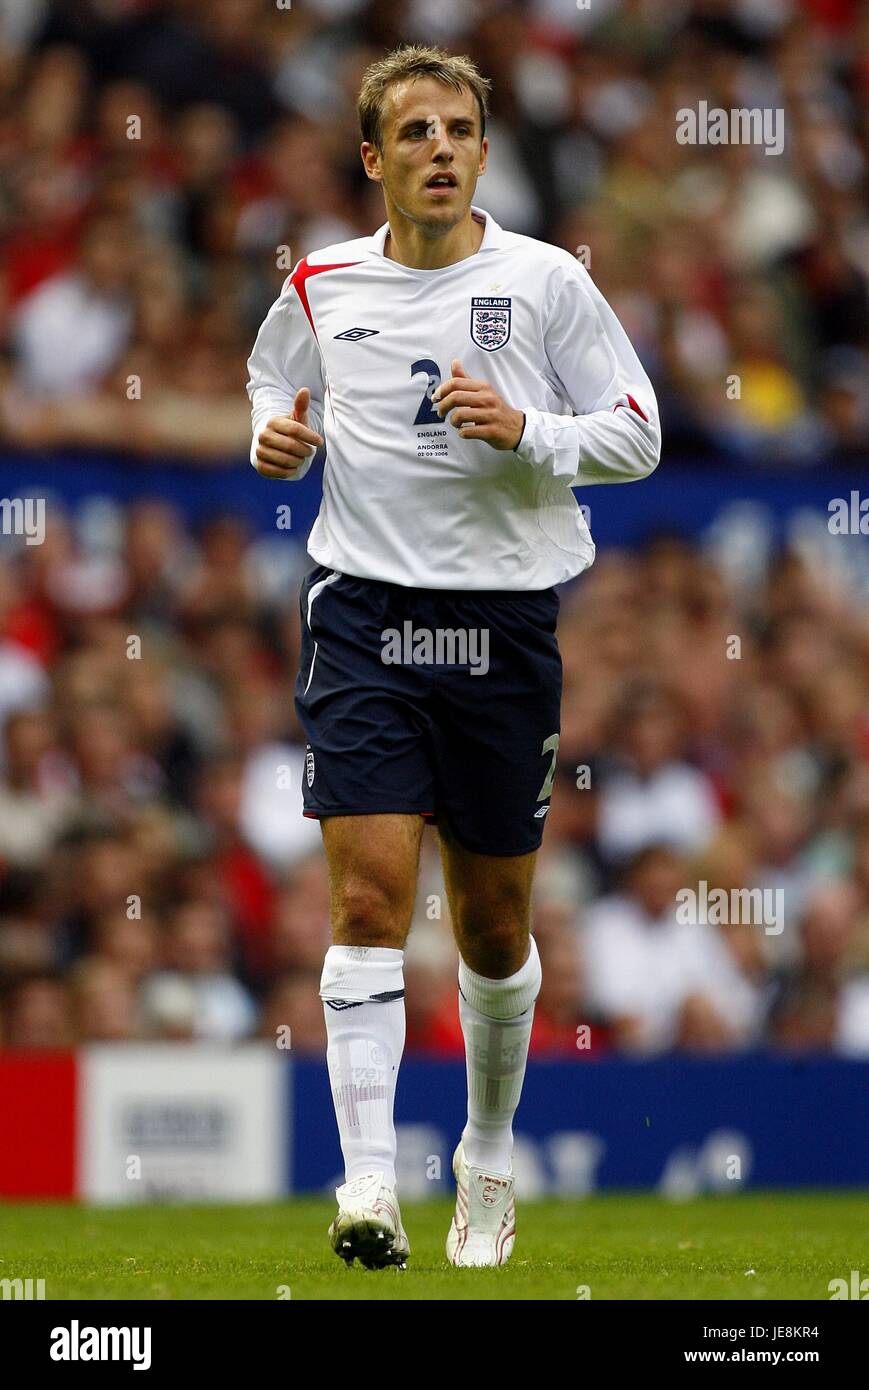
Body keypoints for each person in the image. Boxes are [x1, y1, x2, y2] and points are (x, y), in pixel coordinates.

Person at [246, 45, 660, 1271]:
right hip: (364, 616)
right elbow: (273, 374)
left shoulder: (543, 283)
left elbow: (637, 432)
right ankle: (367, 1183)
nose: (438, 149)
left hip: (502, 626)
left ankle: (485, 1153)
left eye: (458, 130)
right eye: (413, 132)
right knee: (369, 898)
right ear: (373, 158)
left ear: (483, 152)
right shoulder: (321, 280)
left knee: (489, 927)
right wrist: (270, 430)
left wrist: (527, 429)